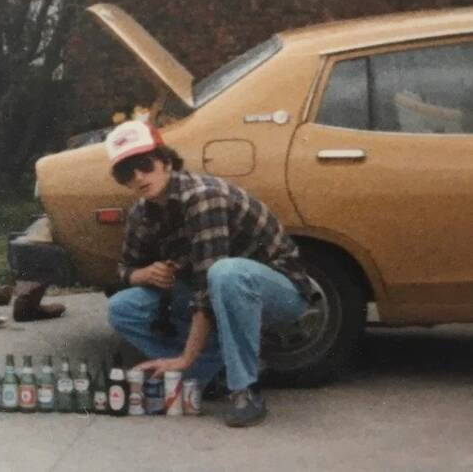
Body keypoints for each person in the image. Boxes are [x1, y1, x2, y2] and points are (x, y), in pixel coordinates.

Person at [104, 121, 315, 427]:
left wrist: (184, 357)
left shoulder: (203, 197)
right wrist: (144, 274)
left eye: (145, 165)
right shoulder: (142, 212)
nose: (138, 177)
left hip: (277, 291)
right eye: (127, 172)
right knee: (121, 307)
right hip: (215, 291)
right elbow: (124, 269)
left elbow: (206, 289)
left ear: (164, 161)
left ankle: (244, 389)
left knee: (225, 273)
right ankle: (210, 369)